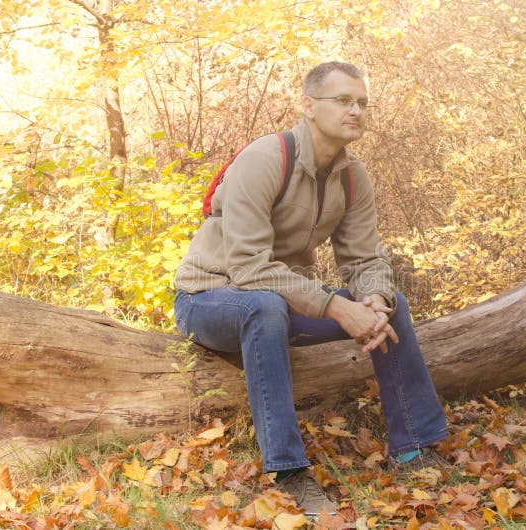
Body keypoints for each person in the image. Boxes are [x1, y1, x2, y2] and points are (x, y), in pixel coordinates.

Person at [173, 61, 449, 518]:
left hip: (281, 300)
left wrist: (373, 299)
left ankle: (415, 449)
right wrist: (336, 308)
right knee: (263, 307)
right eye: (342, 100)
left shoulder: (353, 177)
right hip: (210, 298)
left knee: (392, 308)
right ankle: (288, 472)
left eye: (361, 102)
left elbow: (364, 259)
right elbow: (248, 267)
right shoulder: (264, 159)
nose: (355, 110)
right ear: (308, 106)